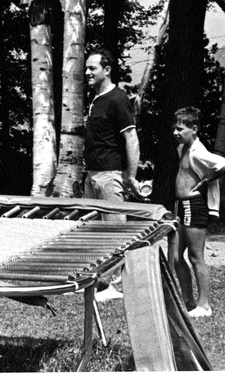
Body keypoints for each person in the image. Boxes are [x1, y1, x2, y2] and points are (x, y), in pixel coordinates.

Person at [84, 49, 142, 301]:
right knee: (94, 232)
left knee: (115, 232)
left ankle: (117, 287)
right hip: (92, 175)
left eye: (92, 68)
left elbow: (132, 139)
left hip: (110, 175)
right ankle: (98, 280)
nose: (87, 72)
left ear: (107, 70)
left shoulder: (118, 99)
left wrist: (130, 177)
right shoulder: (96, 99)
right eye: (86, 68)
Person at [168, 106, 225, 319]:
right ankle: (188, 302)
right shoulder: (182, 149)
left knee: (196, 257)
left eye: (180, 129)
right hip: (180, 207)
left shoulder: (198, 151)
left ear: (194, 129)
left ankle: (204, 305)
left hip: (194, 207)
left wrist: (207, 179)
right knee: (176, 258)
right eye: (174, 128)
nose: (175, 133)